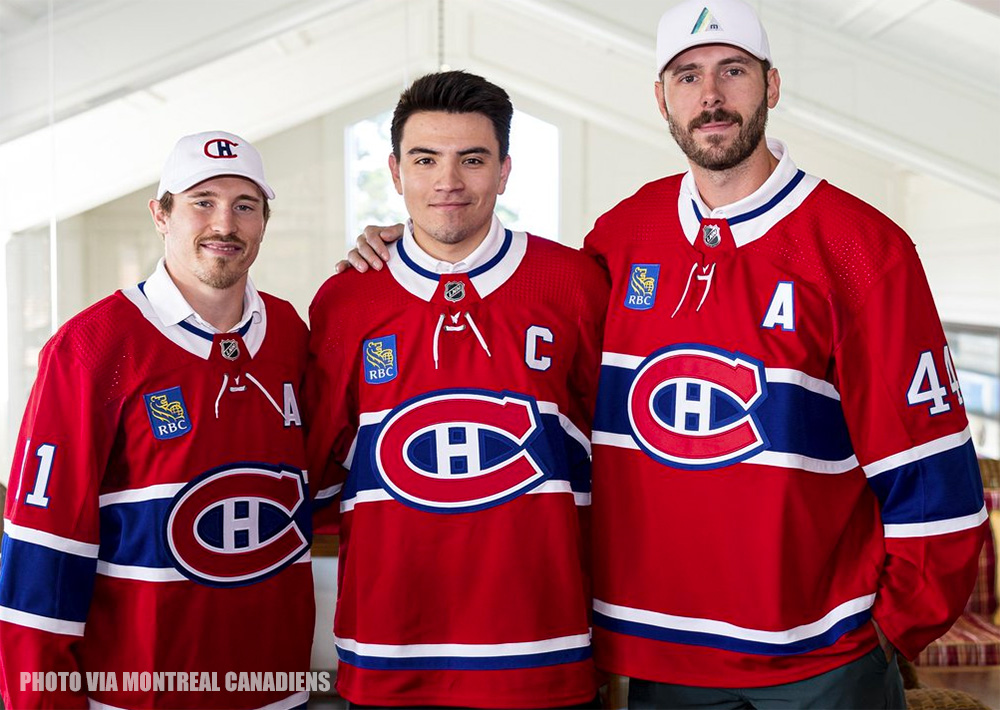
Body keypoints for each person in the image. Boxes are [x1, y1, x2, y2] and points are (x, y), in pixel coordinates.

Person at [342, 1, 987, 707]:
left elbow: (931, 462)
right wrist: (406, 251)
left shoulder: (863, 250)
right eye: (686, 77)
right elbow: (535, 351)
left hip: (821, 657)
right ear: (661, 99)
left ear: (771, 85)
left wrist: (895, 626)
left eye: (731, 71)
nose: (709, 96)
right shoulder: (622, 238)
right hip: (664, 660)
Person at [306, 70, 608, 708]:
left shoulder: (574, 283)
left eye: (472, 160)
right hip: (392, 648)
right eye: (425, 159)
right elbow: (316, 466)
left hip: (542, 646)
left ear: (503, 170)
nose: (448, 181)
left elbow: (618, 464)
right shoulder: (345, 301)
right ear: (394, 171)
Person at [0, 131, 315, 709]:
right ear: (161, 214)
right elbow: (43, 553)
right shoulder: (92, 347)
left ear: (264, 222)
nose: (225, 223)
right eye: (202, 201)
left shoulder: (291, 333)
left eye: (245, 206)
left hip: (276, 689)